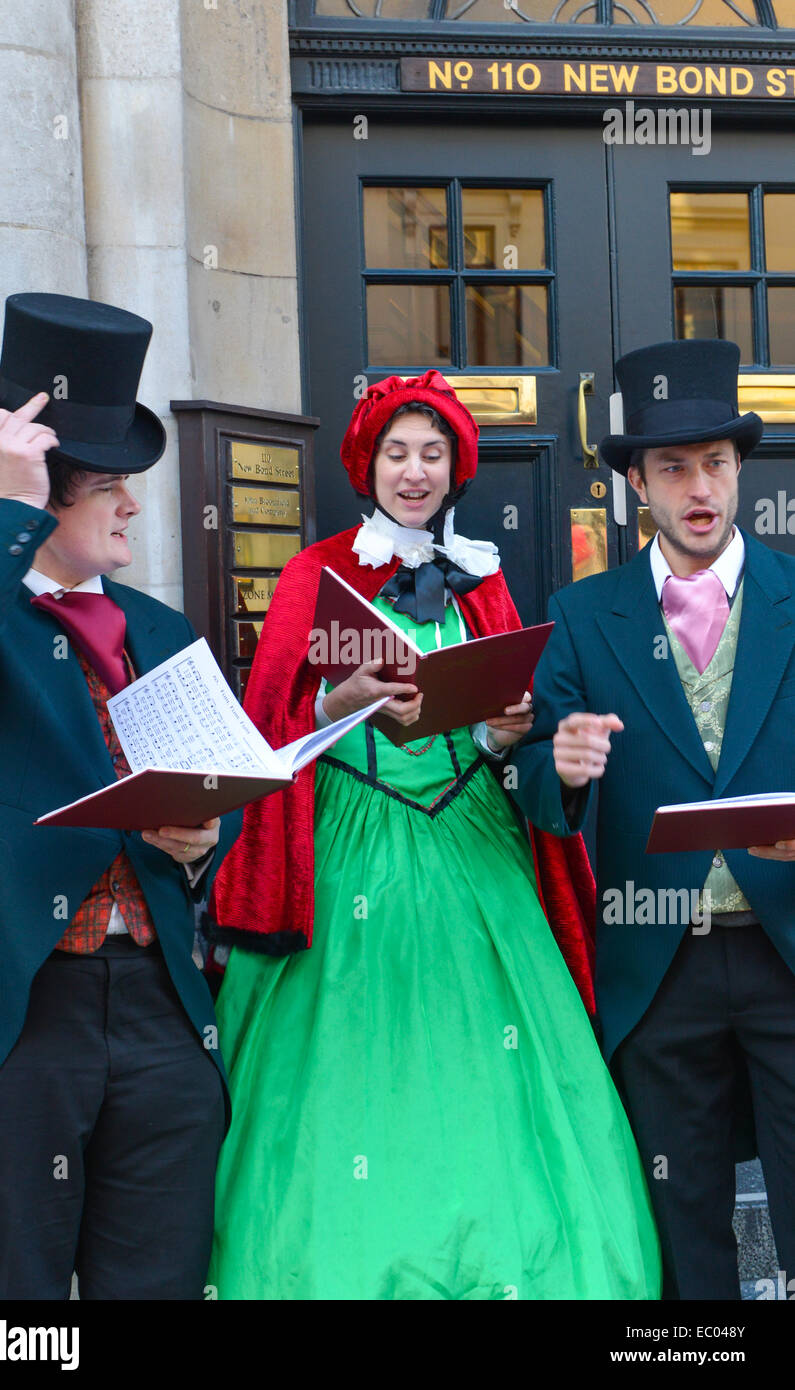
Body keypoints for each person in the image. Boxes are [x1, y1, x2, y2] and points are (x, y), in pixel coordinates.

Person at [204, 370, 660, 1300]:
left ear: (457, 466)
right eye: (396, 453)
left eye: (432, 453)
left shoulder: (484, 581)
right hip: (349, 847)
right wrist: (337, 701)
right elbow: (262, 736)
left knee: (505, 1075)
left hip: (474, 838)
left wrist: (505, 733)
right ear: (366, 464)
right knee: (357, 1069)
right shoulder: (313, 576)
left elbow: (511, 738)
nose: (414, 472)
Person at [0, 292, 229, 1299]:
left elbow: (209, 810)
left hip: (157, 1010)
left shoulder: (165, 631)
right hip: (17, 1017)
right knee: (17, 1307)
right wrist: (5, 517)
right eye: (108, 485)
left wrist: (200, 843)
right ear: (45, 493)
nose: (133, 506)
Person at [510, 337, 795, 1300]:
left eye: (714, 462)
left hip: (787, 949)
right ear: (638, 482)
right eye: (672, 466)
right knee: (682, 1229)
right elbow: (534, 793)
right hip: (655, 964)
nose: (698, 485)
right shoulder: (583, 615)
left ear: (738, 470)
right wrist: (565, 767)